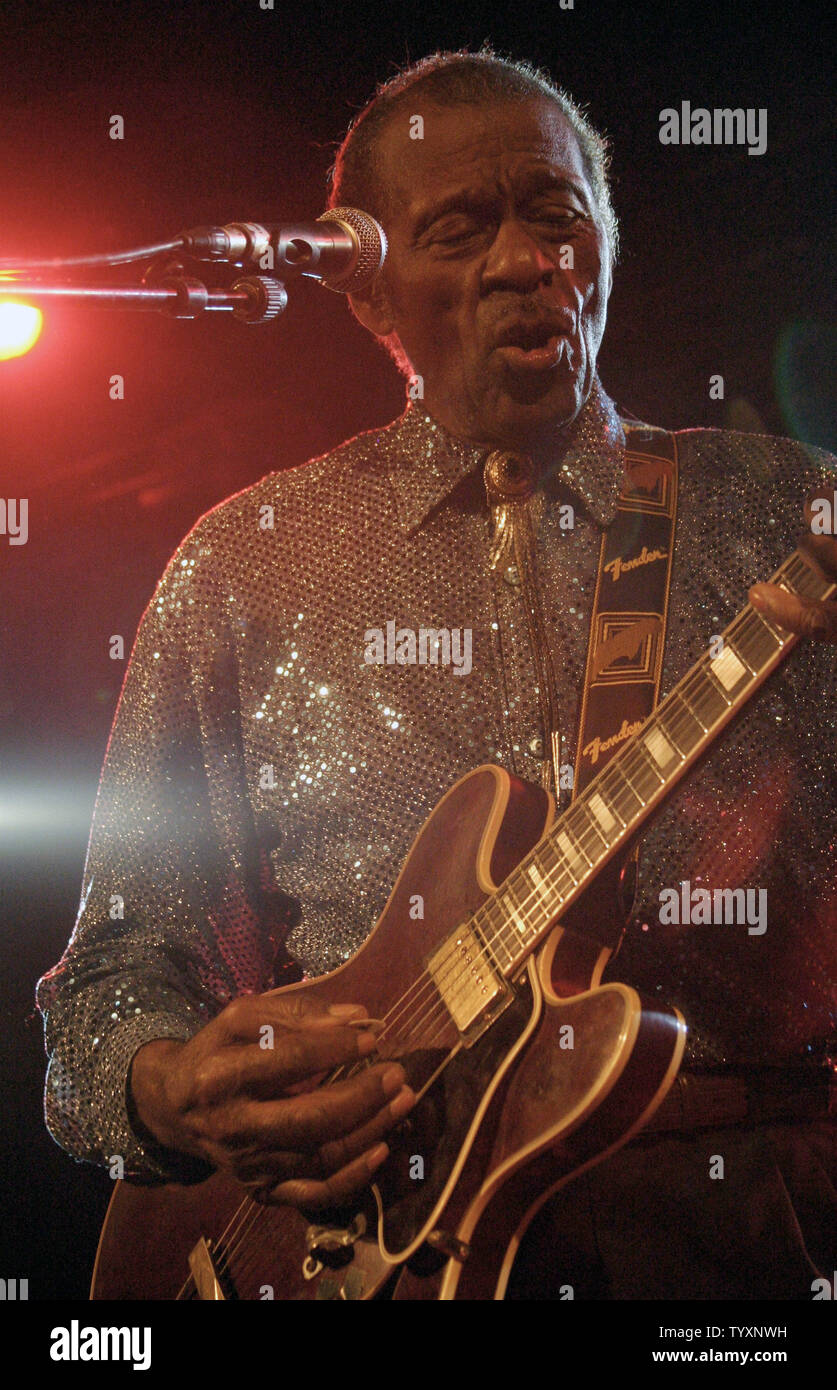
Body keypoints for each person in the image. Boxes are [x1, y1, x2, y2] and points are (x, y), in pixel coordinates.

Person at [37, 48, 836, 1299]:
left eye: (557, 215)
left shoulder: (791, 513)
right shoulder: (248, 563)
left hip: (743, 1247)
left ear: (607, 241)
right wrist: (168, 1087)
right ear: (368, 287)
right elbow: (119, 965)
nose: (527, 261)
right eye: (463, 227)